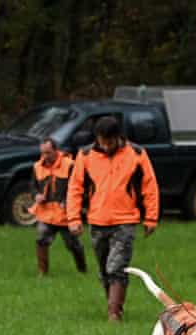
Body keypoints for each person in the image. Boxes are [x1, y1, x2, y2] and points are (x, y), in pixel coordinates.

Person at [66, 116, 160, 322]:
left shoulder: (136, 154)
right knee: (103, 270)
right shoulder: (85, 155)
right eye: (102, 141)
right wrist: (73, 218)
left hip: (125, 220)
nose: (105, 146)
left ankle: (114, 313)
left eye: (109, 141)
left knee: (115, 267)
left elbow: (149, 186)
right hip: (97, 220)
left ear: (118, 137)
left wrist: (151, 217)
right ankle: (114, 305)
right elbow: (75, 187)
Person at [30, 138, 87, 276]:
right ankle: (42, 273)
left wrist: (70, 202)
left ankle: (82, 270)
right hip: (46, 213)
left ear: (56, 150)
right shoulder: (37, 166)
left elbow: (81, 186)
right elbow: (33, 187)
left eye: (48, 153)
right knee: (41, 239)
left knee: (72, 244)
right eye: (43, 153)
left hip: (66, 214)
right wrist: (36, 195)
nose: (45, 156)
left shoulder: (70, 165)